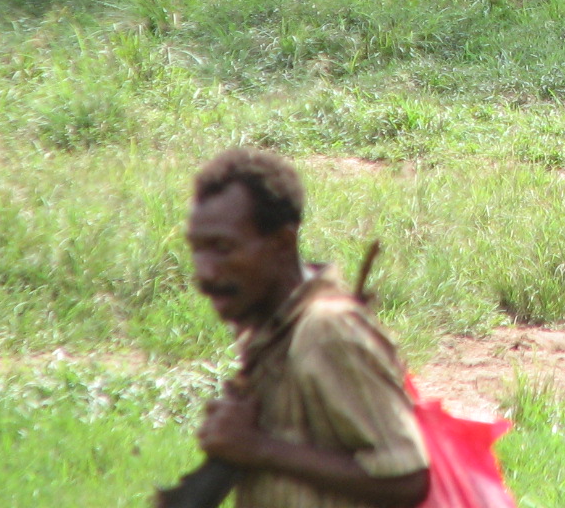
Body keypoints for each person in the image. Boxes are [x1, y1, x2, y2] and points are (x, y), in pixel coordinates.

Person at [183, 147, 430, 508]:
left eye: (223, 247)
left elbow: (406, 479)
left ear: (282, 243)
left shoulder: (325, 331)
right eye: (198, 249)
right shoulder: (275, 331)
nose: (205, 270)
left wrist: (256, 447)